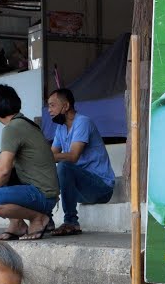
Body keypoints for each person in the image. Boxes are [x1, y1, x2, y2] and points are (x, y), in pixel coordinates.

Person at [0, 85, 59, 241]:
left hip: (42, 195)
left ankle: (38, 218)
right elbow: (1, 162)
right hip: (45, 193)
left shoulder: (12, 128)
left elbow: (4, 171)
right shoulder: (25, 124)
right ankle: (17, 224)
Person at [45, 88, 115, 237]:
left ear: (66, 106)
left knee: (64, 166)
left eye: (52, 105)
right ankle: (46, 219)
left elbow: (73, 156)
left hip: (101, 188)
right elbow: (50, 155)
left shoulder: (82, 122)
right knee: (46, 168)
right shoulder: (60, 128)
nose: (49, 110)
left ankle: (71, 222)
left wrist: (42, 157)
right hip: (82, 189)